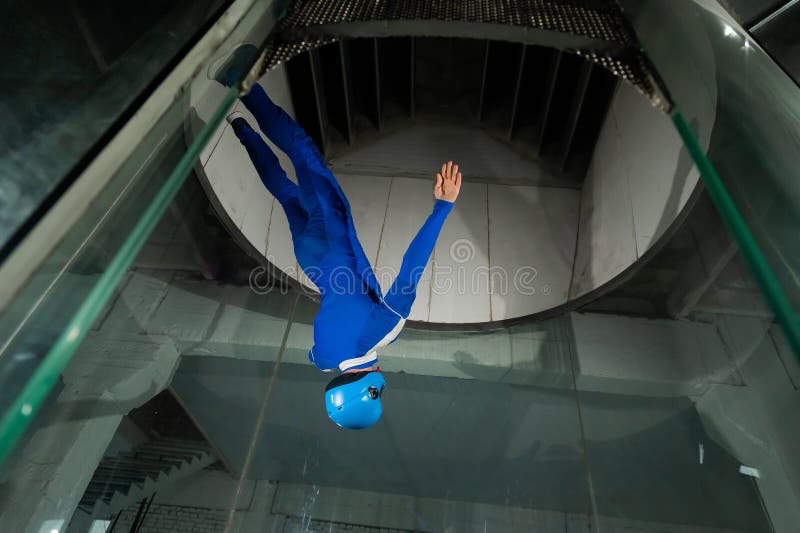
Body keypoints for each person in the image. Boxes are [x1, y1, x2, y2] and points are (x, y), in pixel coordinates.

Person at [215, 46, 461, 429]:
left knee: (303, 152)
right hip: (310, 257)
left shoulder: (385, 331)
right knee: (285, 192)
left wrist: (442, 208)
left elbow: (412, 268)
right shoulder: (324, 359)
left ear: (371, 388)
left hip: (333, 243)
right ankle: (241, 129)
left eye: (378, 393)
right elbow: (318, 354)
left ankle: (238, 82)